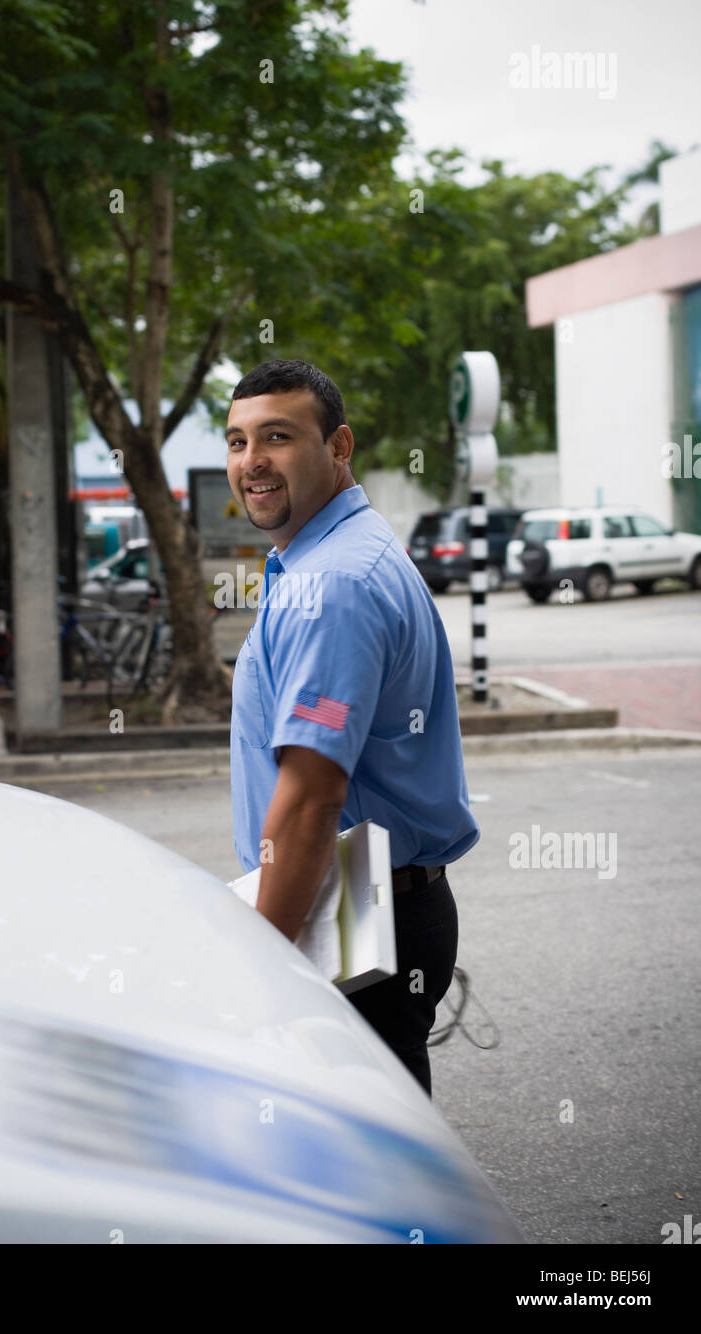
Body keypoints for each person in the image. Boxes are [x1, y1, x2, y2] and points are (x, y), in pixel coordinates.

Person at [226, 359, 480, 1097]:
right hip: (367, 908)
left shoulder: (331, 585)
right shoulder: (339, 554)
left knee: (367, 1186)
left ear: (339, 447)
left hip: (353, 923)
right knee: (369, 1173)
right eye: (238, 442)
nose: (253, 462)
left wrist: (261, 965)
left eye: (277, 437)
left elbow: (310, 800)